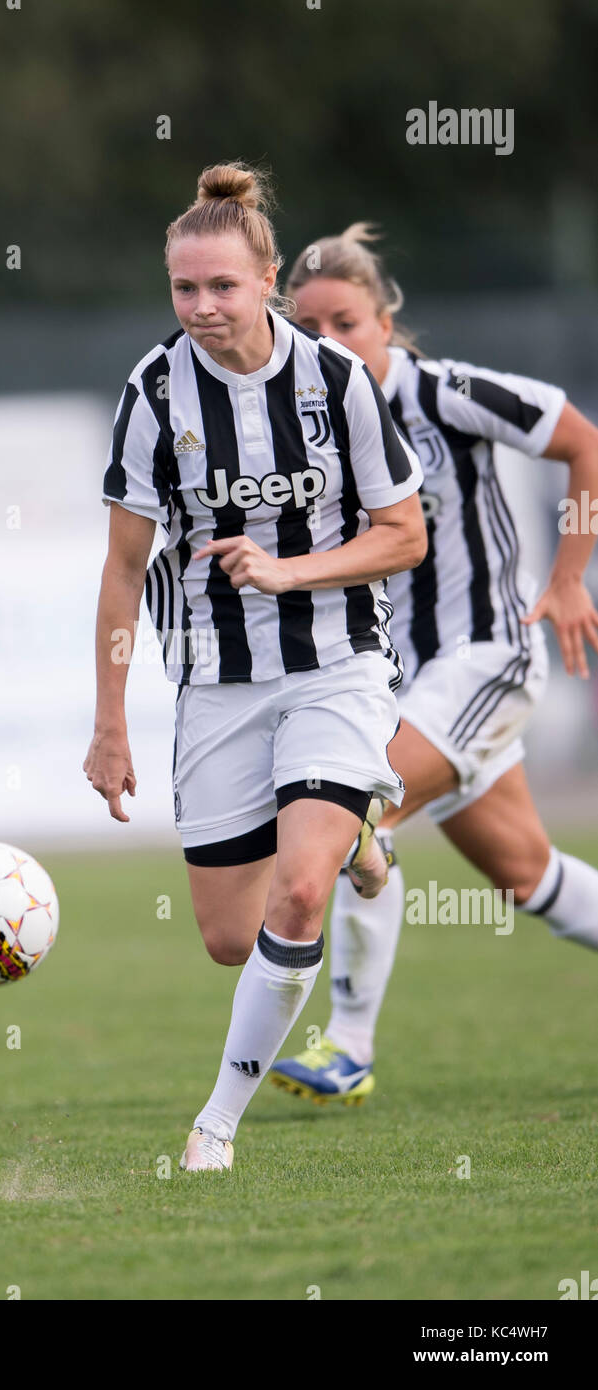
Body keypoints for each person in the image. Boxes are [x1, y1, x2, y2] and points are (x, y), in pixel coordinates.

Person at [84, 171, 426, 1169]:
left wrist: (290, 571)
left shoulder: (336, 381)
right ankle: (355, 822)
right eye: (185, 289)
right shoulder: (153, 392)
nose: (202, 308)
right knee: (231, 940)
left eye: (222, 287)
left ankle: (214, 1127)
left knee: (301, 900)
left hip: (335, 665)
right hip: (216, 681)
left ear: (268, 279)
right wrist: (110, 723)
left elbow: (401, 535)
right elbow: (119, 566)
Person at [270, 224, 598, 1105]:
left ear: (385, 320)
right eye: (310, 329)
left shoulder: (447, 394)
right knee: (530, 876)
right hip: (414, 687)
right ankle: (346, 1044)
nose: (330, 343)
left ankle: (345, 1047)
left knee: (351, 814)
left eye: (346, 321)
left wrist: (568, 577)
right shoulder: (305, 430)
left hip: (486, 658)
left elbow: (583, 442)